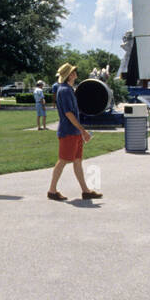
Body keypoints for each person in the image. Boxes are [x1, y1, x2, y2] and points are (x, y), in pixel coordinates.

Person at [48, 63, 100, 201]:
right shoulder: (64, 90)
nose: (76, 72)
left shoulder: (68, 89)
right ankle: (52, 191)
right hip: (68, 132)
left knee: (77, 161)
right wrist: (83, 130)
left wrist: (80, 131)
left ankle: (85, 191)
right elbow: (69, 113)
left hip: (74, 132)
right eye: (74, 71)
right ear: (69, 75)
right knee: (63, 160)